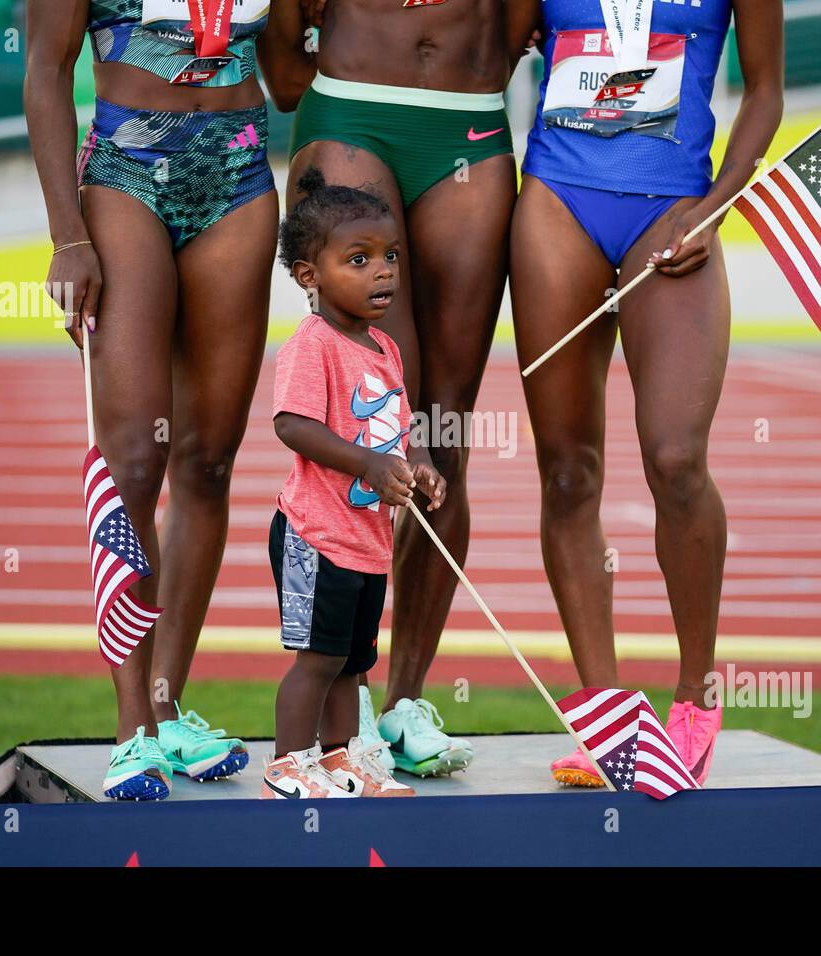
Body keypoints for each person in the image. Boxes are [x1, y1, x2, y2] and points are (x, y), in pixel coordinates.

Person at [504, 0, 784, 786]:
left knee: (676, 458)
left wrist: (716, 203)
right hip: (558, 201)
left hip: (675, 208)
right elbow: (495, 48)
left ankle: (693, 700)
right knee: (567, 472)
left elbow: (765, 91)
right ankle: (606, 716)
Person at [25, 0, 295, 799]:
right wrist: (68, 237)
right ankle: (130, 728)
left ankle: (166, 703)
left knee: (208, 462)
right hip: (126, 171)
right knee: (136, 459)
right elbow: (44, 72)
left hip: (240, 173)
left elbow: (287, 71)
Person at [259, 0, 517, 778]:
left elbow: (526, 30)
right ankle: (352, 705)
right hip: (350, 111)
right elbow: (280, 58)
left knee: (442, 432)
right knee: (369, 418)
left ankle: (404, 699)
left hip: (467, 122)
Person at [262, 168, 444, 799]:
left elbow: (396, 423)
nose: (383, 271)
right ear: (310, 276)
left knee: (353, 661)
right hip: (316, 533)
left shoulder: (385, 348)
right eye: (359, 259)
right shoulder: (312, 347)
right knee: (316, 658)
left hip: (366, 536)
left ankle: (342, 760)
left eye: (390, 256)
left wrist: (417, 461)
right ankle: (287, 765)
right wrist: (366, 465)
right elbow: (292, 424)